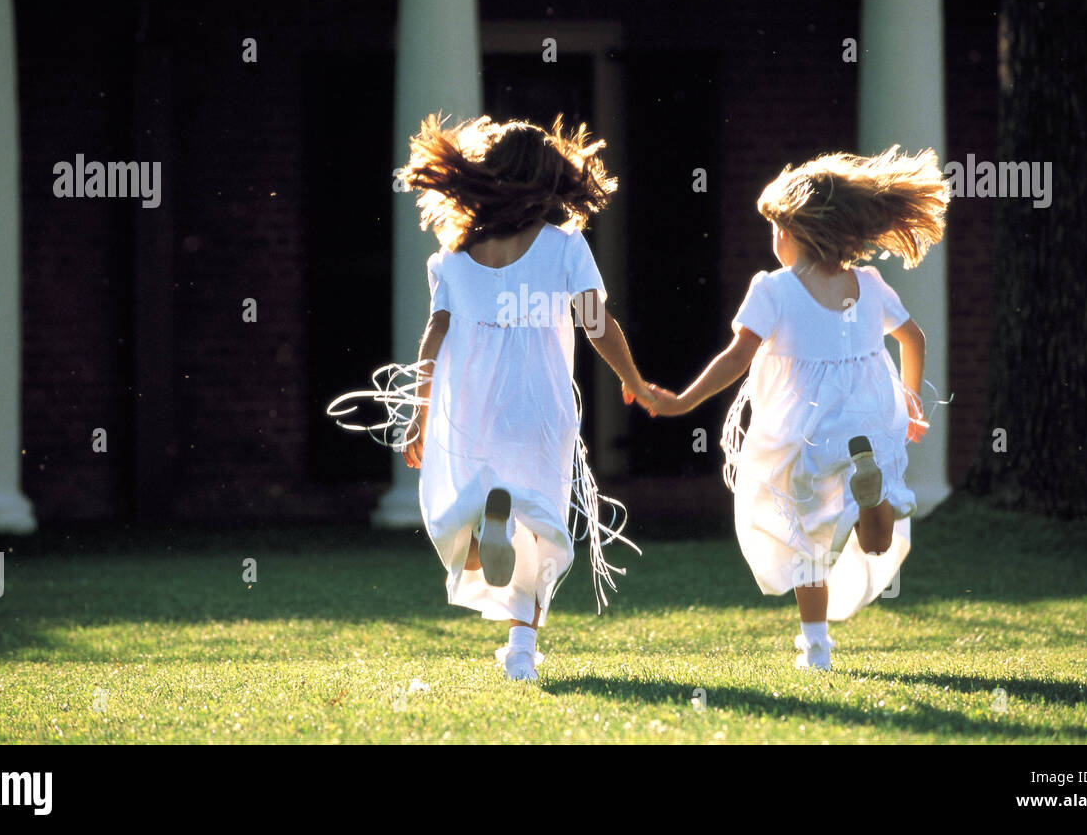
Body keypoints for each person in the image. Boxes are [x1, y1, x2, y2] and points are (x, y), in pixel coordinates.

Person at [330, 114, 651, 681]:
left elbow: (433, 338)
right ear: (548, 182)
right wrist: (632, 379)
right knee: (539, 527)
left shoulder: (454, 257)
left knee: (468, 515)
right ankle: (521, 652)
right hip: (540, 404)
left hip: (472, 406)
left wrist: (419, 415)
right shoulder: (564, 246)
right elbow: (598, 325)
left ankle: (484, 531)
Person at [646, 146, 951, 671]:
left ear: (793, 231)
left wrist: (682, 400)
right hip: (871, 414)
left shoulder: (774, 290)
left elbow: (736, 358)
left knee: (801, 533)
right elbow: (914, 338)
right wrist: (910, 396)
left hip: (806, 424)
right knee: (877, 545)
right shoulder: (869, 284)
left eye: (775, 228)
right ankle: (871, 496)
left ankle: (816, 647)